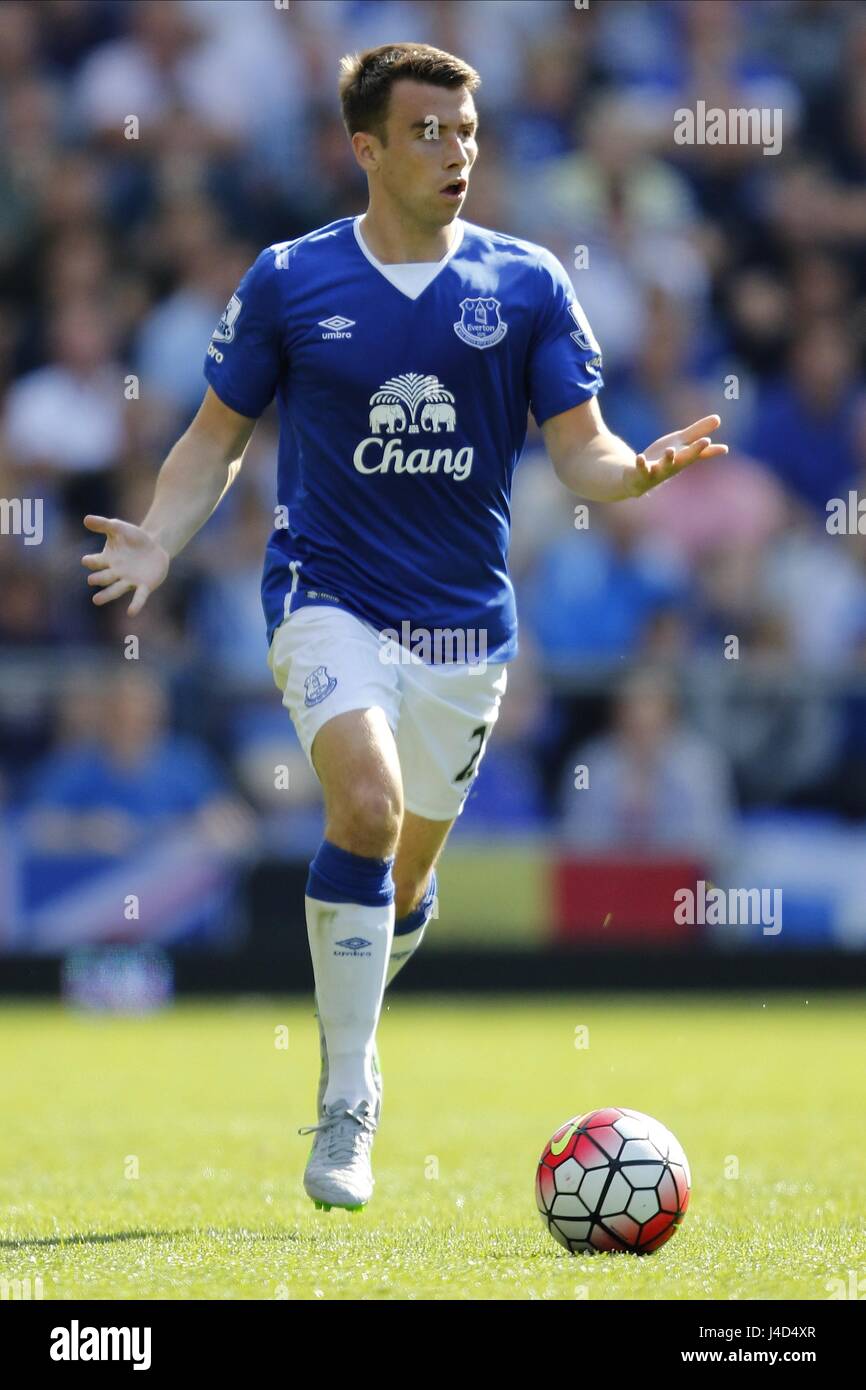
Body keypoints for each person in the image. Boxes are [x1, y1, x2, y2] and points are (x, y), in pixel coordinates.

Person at [81, 43, 726, 1213]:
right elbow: (212, 439)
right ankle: (345, 1097)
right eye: (428, 132)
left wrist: (628, 472)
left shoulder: (526, 281)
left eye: (467, 133)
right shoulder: (290, 278)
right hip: (327, 595)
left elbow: (576, 443)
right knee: (365, 811)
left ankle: (357, 1020)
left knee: (406, 881)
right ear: (364, 147)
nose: (455, 153)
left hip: (463, 630)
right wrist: (160, 538)